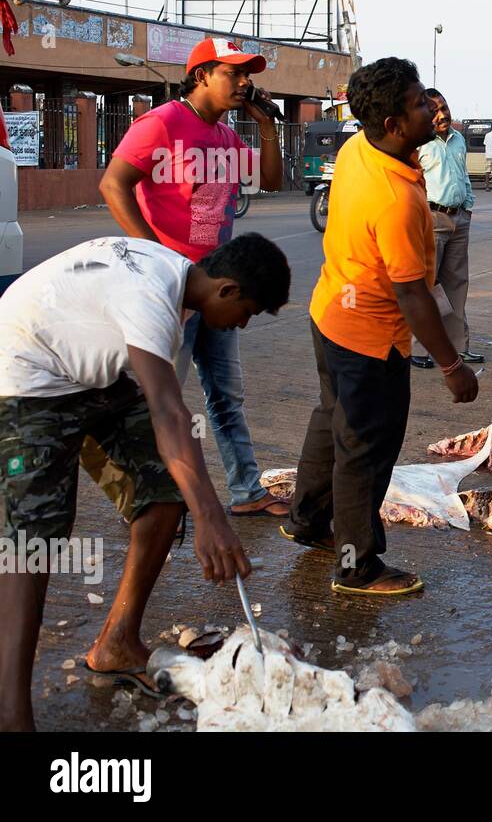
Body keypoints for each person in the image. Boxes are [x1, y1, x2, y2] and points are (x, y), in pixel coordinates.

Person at [0, 233, 288, 730]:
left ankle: (117, 642)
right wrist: (212, 518)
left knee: (165, 491)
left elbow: (168, 418)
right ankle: (10, 712)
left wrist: (199, 503)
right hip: (26, 375)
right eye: (248, 311)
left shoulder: (175, 282)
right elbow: (170, 415)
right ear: (226, 289)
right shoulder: (152, 297)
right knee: (33, 541)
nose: (241, 324)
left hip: (91, 376)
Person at [281, 58, 479, 596]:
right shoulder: (393, 198)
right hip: (369, 338)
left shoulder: (359, 148)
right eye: (420, 103)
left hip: (330, 313)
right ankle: (357, 566)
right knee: (364, 452)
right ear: (392, 123)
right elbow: (412, 294)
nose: (431, 107)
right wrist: (452, 365)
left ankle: (307, 520)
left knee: (332, 422)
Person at [100, 37, 284, 517]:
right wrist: (154, 254)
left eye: (249, 76)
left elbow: (271, 182)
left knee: (226, 393)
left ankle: (247, 491)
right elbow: (113, 183)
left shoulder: (225, 136)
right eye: (234, 73)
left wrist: (267, 128)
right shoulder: (161, 123)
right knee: (160, 395)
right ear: (201, 74)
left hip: (219, 291)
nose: (245, 84)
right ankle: (143, 498)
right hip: (170, 289)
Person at [411, 89, 485, 368]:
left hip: (459, 219)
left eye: (444, 108)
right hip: (431, 219)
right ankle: (417, 349)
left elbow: (463, 176)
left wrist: (467, 206)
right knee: (426, 285)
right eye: (434, 110)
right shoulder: (419, 145)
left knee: (456, 284)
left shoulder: (458, 140)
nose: (442, 115)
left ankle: (458, 346)